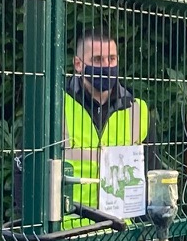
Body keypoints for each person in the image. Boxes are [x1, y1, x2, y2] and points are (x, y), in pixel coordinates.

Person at [64, 29, 151, 224]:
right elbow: (25, 169)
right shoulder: (56, 107)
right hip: (70, 233)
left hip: (120, 232)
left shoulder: (137, 110)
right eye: (97, 59)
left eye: (111, 59)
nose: (106, 66)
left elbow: (151, 173)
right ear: (78, 64)